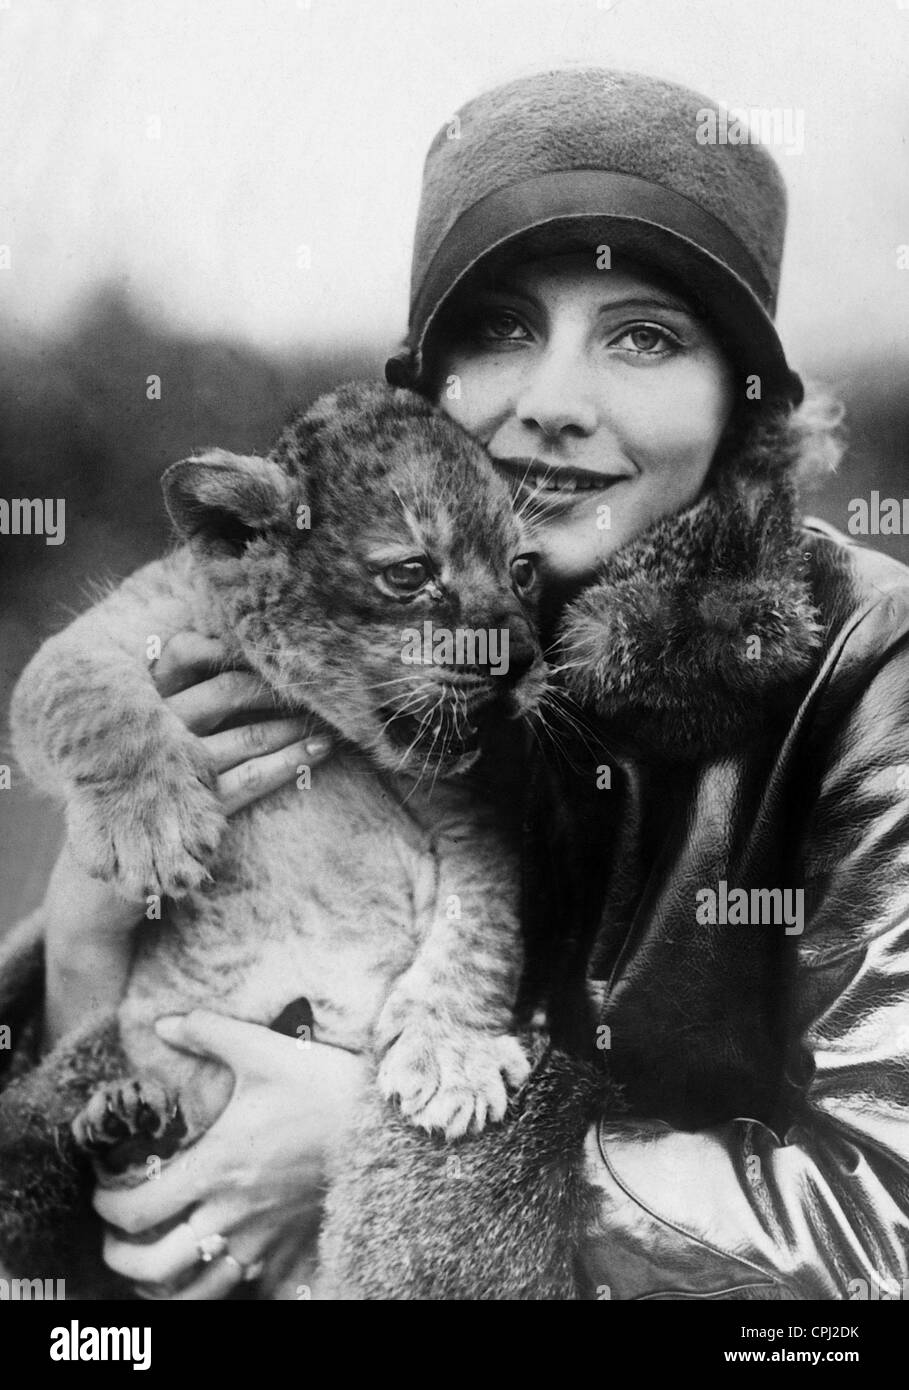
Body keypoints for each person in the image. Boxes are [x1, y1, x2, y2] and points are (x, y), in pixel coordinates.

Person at [2, 67, 908, 1301]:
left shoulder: (871, 663)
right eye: (500, 329)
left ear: (749, 398)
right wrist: (79, 957)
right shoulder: (356, 594)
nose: (553, 406)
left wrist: (384, 1155)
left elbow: (884, 1236)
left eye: (645, 335)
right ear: (422, 386)